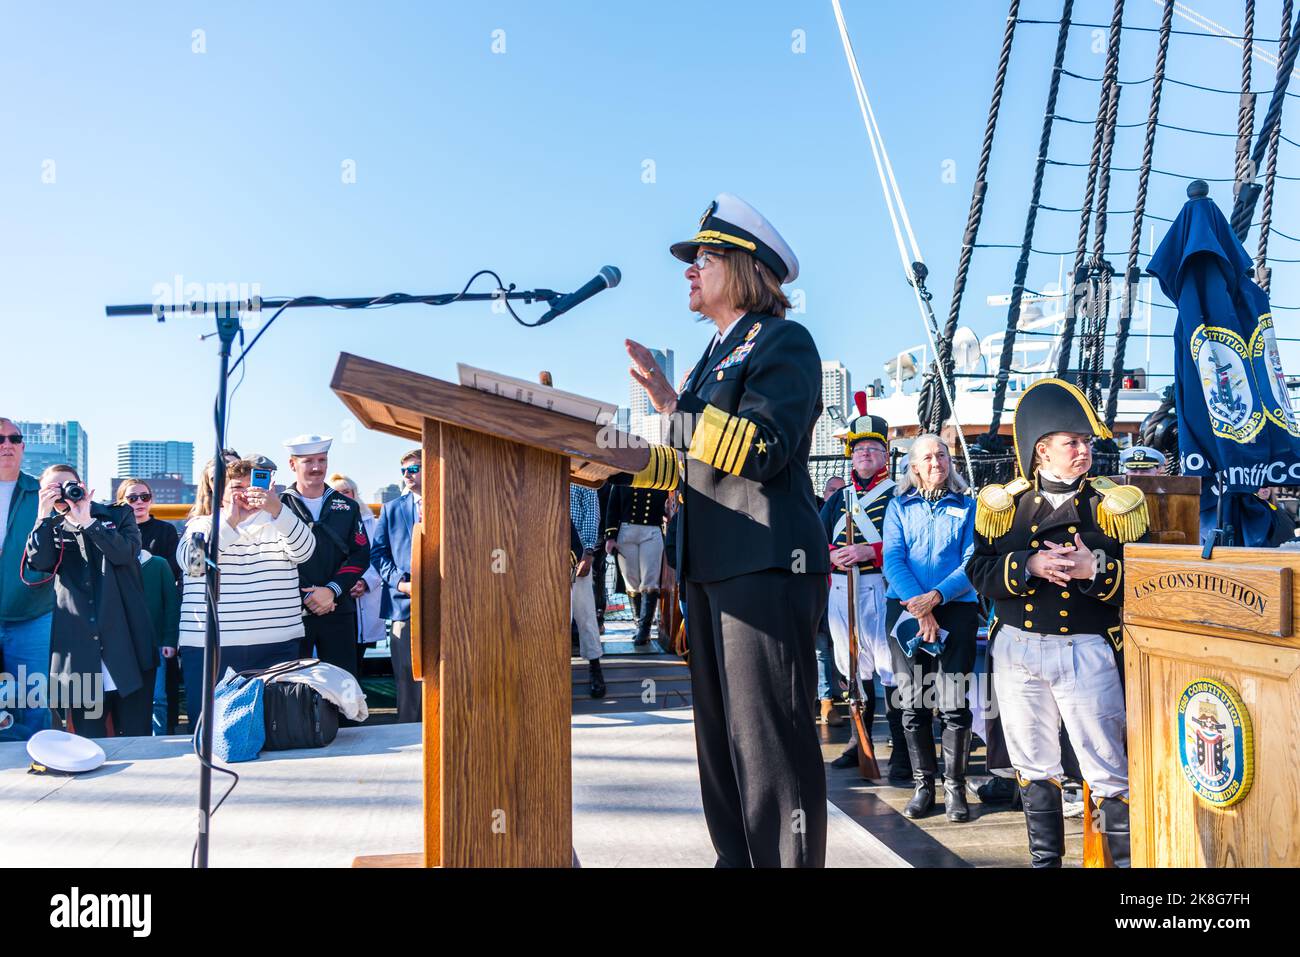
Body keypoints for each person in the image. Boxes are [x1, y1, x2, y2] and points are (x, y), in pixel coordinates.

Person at [620, 192, 829, 867]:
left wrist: (670, 405)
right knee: (723, 743)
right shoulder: (711, 359)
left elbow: (762, 448)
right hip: (712, 567)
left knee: (771, 745)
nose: (688, 270)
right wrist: (600, 460)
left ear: (744, 269)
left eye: (702, 258)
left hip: (766, 564)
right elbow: (689, 465)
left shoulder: (782, 343)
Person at [967, 379, 1146, 868]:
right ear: (1042, 450)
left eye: (1087, 443)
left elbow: (1148, 581)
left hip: (1084, 648)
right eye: (1073, 442)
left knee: (1107, 767)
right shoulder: (1005, 505)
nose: (1084, 451)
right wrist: (1027, 566)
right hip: (1018, 650)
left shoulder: (1114, 505)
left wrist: (1096, 571)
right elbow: (979, 570)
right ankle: (1045, 862)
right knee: (1033, 764)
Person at [882, 434, 978, 821]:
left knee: (953, 703)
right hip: (906, 610)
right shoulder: (898, 507)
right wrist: (920, 608)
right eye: (927, 457)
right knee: (913, 703)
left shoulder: (968, 506)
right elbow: (892, 558)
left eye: (942, 455)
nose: (936, 462)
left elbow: (972, 560)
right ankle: (925, 785)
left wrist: (935, 598)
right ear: (914, 466)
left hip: (955, 608)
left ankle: (954, 788)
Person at [177, 458, 316, 722]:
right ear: (221, 492)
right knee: (210, 728)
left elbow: (305, 550)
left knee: (277, 726)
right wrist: (229, 523)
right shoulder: (203, 524)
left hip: (277, 644)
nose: (246, 492)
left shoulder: (281, 521)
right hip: (212, 646)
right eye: (237, 486)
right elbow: (192, 564)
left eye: (252, 485)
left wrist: (277, 509)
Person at [24, 465, 156, 737]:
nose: (64, 493)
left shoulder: (118, 515)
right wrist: (42, 515)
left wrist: (89, 522)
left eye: (68, 486)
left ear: (82, 485)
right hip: (79, 651)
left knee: (136, 735)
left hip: (127, 644)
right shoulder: (51, 527)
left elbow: (125, 554)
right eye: (53, 488)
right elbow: (40, 562)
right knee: (88, 738)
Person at [820, 397, 910, 782]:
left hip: (877, 585)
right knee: (853, 669)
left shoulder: (898, 493)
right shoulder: (840, 499)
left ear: (884, 456)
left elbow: (907, 544)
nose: (865, 455)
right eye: (860, 449)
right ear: (851, 455)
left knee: (889, 670)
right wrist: (832, 555)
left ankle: (902, 749)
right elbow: (815, 538)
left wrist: (867, 550)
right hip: (841, 588)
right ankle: (861, 744)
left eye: (873, 449)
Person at [278, 435, 371, 687]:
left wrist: (331, 590)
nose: (317, 467)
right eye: (308, 461)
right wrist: (306, 595)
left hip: (338, 606)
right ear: (292, 464)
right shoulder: (278, 506)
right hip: (292, 610)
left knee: (343, 684)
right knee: (291, 686)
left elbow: (360, 554)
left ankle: (347, 729)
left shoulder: (347, 507)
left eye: (322, 460)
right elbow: (274, 558)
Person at [0, 418, 55, 738]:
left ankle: (38, 765)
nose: (6, 444)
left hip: (33, 613)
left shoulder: (42, 493)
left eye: (14, 438)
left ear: (22, 447)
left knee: (35, 701)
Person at [116, 478, 183, 734]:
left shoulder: (165, 531)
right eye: (132, 498)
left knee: (158, 696)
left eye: (145, 497)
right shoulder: (113, 533)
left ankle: (160, 741)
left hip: (154, 625)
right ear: (122, 501)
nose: (139, 503)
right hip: (122, 630)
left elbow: (171, 580)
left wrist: (170, 637)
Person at [371, 448, 422, 723]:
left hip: (447, 603)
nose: (406, 475)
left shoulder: (449, 505)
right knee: (405, 672)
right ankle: (408, 730)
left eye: (413, 469)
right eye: (403, 470)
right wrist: (400, 583)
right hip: (404, 603)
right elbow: (378, 554)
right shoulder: (392, 509)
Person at [329, 473, 384, 675]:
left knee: (356, 659)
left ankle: (356, 701)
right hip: (336, 597)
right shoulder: (325, 522)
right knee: (337, 659)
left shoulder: (373, 523)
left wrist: (364, 581)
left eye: (346, 492)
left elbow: (379, 559)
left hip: (362, 597)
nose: (342, 496)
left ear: (355, 494)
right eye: (337, 493)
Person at [603, 485, 669, 646]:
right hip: (626, 531)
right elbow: (612, 506)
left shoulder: (660, 475)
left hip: (652, 531)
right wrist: (610, 537)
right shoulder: (623, 475)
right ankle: (639, 624)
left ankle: (644, 630)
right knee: (631, 581)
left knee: (650, 581)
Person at [814, 476, 846, 725]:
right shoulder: (814, 513)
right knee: (821, 647)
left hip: (846, 589)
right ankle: (826, 702)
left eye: (840, 490)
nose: (836, 494)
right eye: (832, 490)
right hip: (819, 590)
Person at [571, 483, 605, 697]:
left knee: (585, 616)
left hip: (576, 554)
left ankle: (595, 668)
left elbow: (591, 514)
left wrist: (588, 552)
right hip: (544, 551)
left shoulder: (581, 477)